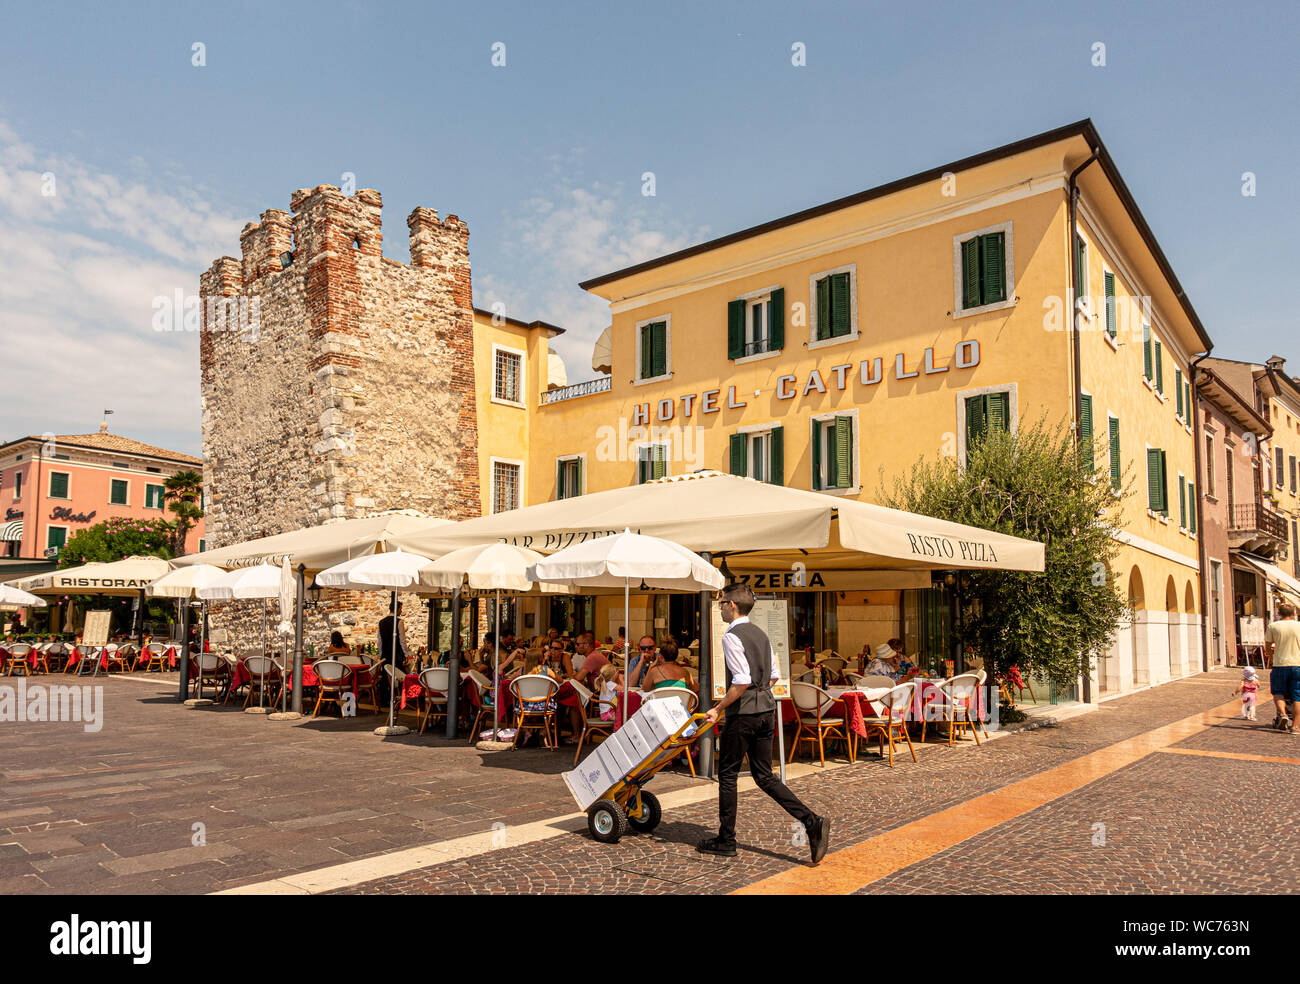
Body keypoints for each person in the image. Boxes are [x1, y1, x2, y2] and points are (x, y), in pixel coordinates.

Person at [698, 583, 830, 863]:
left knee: (729, 775)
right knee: (764, 776)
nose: (720, 607)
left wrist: (718, 708)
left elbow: (742, 680)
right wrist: (758, 692)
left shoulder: (731, 636)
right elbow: (772, 676)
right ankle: (811, 820)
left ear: (732, 606)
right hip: (767, 711)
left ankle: (726, 839)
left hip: (743, 715)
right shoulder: (761, 634)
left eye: (722, 603)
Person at [1265, 603, 1300, 732]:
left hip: (1280, 664)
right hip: (1297, 664)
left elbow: (1268, 646)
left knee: (1278, 692)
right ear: (1293, 614)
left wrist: (1271, 657)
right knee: (1297, 696)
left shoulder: (1273, 626)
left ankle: (1283, 714)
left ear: (1279, 614)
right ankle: (1295, 727)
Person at [377, 599, 408, 707]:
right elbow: (402, 640)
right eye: (401, 608)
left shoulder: (381, 622)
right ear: (398, 609)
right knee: (402, 677)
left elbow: (379, 641)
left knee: (385, 678)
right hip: (397, 654)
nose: (401, 610)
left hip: (385, 654)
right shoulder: (399, 622)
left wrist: (381, 654)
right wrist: (406, 654)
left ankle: (384, 701)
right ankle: (402, 700)